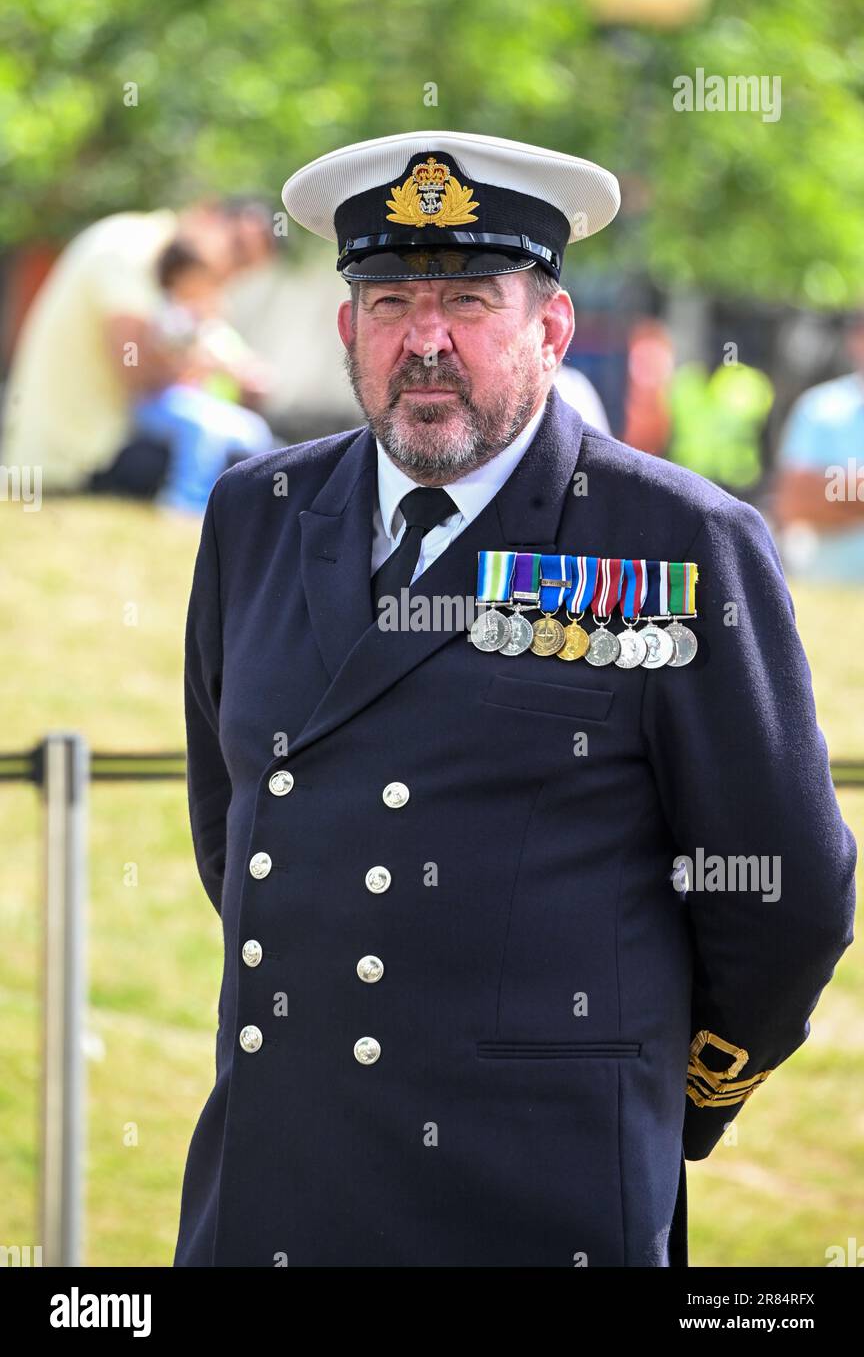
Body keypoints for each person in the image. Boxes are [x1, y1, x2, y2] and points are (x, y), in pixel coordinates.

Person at [173, 130, 856, 1269]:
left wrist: (659, 1092)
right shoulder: (258, 513)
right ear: (348, 328)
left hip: (537, 1192)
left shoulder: (677, 544)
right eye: (389, 301)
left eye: (469, 300)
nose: (425, 340)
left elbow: (784, 889)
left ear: (550, 326)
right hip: (277, 1186)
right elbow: (230, 822)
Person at [0, 199, 270, 496]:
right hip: (84, 454)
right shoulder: (129, 248)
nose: (231, 272)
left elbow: (233, 359)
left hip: (120, 439)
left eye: (245, 268)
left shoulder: (184, 279)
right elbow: (138, 371)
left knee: (260, 454)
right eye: (236, 249)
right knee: (243, 466)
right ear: (204, 216)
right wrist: (205, 365)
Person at [128, 238, 276, 514]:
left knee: (254, 432)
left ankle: (254, 504)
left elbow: (237, 362)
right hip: (162, 402)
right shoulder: (166, 312)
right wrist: (201, 341)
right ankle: (185, 501)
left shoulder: (212, 323)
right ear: (178, 276)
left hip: (202, 403)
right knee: (203, 429)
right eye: (201, 278)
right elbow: (170, 354)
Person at [771, 310, 864, 582]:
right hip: (831, 595)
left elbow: (816, 495)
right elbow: (796, 502)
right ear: (855, 339)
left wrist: (841, 492)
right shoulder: (820, 408)